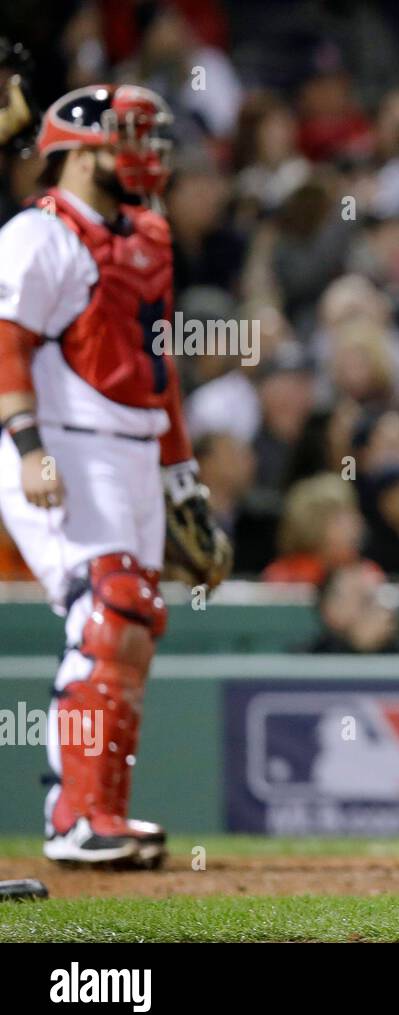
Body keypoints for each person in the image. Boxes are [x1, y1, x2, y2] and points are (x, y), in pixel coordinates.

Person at [0, 85, 229, 867]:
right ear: (80, 148)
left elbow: (156, 369)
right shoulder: (37, 235)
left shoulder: (148, 236)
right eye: (130, 139)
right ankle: (73, 816)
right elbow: (5, 347)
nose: (149, 156)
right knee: (107, 606)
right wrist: (28, 446)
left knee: (134, 623)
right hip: (59, 438)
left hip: (131, 443)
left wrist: (182, 477)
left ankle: (102, 814)